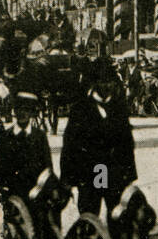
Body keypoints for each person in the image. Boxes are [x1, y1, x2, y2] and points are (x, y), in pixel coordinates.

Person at [59, 58, 137, 216]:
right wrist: (68, 177)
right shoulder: (81, 109)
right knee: (90, 213)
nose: (107, 86)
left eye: (110, 82)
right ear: (95, 83)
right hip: (91, 171)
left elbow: (127, 143)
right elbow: (70, 145)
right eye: (102, 82)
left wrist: (129, 174)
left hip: (115, 172)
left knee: (117, 214)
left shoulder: (118, 108)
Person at [0, 92, 53, 200]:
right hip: (14, 193)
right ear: (15, 111)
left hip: (38, 192)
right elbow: (1, 168)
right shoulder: (7, 136)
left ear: (32, 113)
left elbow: (47, 165)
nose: (22, 114)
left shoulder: (39, 136)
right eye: (19, 110)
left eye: (26, 110)